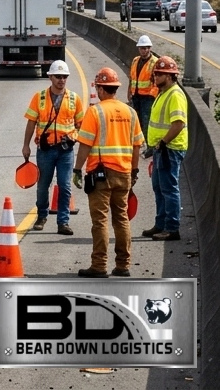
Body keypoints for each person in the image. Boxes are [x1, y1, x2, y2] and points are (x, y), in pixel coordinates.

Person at [73, 67, 144, 278]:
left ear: (101, 89)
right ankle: (123, 265)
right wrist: (134, 171)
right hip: (124, 174)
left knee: (100, 221)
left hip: (100, 174)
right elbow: (137, 145)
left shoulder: (95, 112)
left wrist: (77, 169)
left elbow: (85, 145)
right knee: (121, 219)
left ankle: (99, 265)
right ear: (115, 89)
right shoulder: (131, 112)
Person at [21, 60, 85, 234]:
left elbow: (81, 125)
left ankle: (63, 222)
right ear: (50, 77)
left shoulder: (74, 99)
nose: (61, 80)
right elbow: (31, 123)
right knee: (43, 185)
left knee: (65, 186)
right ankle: (42, 215)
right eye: (58, 76)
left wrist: (73, 137)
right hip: (45, 150)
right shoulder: (39, 98)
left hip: (66, 151)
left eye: (64, 77)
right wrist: (26, 145)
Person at [144, 56, 189, 241]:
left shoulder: (175, 94)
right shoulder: (163, 92)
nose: (156, 76)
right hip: (161, 149)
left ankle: (172, 228)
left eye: (160, 74)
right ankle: (160, 223)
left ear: (170, 76)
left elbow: (178, 123)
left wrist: (163, 142)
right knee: (159, 187)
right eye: (155, 73)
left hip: (169, 149)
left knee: (169, 189)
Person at [128, 35, 159, 132]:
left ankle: (146, 142)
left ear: (149, 48)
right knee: (136, 120)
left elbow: (157, 82)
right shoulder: (135, 60)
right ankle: (139, 141)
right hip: (135, 96)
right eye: (141, 48)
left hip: (147, 98)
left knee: (146, 121)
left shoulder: (155, 62)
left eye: (145, 48)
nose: (143, 51)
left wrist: (152, 96)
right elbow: (132, 78)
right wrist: (129, 91)